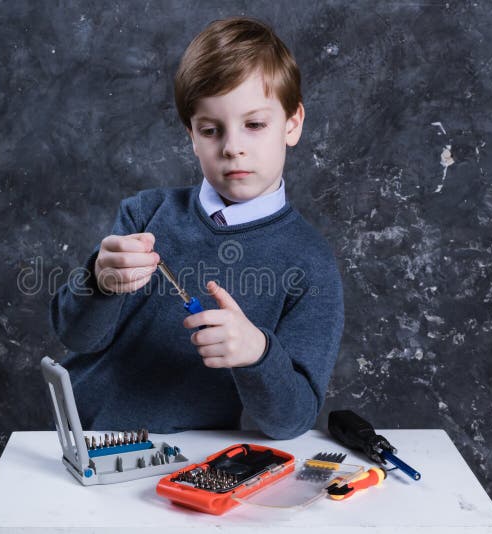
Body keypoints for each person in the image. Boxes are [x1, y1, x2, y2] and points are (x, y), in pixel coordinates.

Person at [49, 17, 344, 440]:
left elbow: (291, 420)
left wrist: (257, 354)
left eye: (255, 124)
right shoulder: (144, 214)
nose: (232, 147)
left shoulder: (309, 262)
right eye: (210, 130)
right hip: (84, 442)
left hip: (189, 463)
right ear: (191, 135)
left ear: (292, 124)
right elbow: (74, 335)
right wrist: (100, 282)